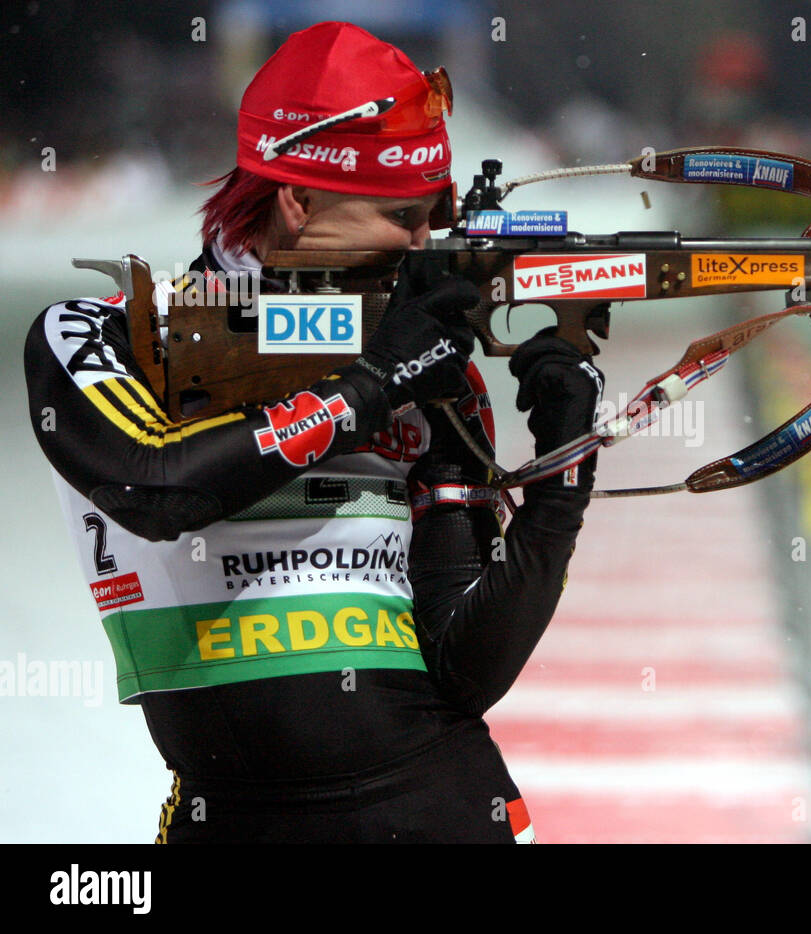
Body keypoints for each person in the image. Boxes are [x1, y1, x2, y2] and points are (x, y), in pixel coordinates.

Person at [23, 21, 603, 843]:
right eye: (402, 216)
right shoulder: (104, 333)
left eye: (435, 216)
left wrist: (560, 479)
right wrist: (369, 387)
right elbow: (155, 486)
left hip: (440, 809)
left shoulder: (425, 365)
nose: (423, 245)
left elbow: (463, 669)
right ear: (296, 202)